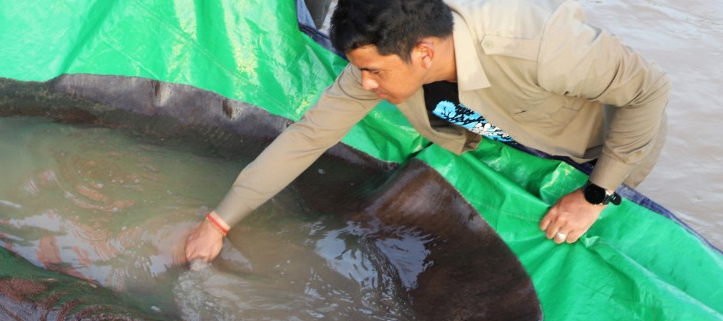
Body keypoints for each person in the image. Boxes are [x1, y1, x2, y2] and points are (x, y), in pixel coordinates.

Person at [184, 0, 669, 261]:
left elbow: (648, 91)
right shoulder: (378, 64)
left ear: (424, 54)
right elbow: (308, 136)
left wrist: (596, 195)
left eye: (375, 71)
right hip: (504, 136)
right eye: (361, 71)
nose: (365, 84)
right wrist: (220, 220)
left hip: (597, 147)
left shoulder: (535, 44)